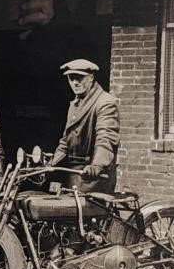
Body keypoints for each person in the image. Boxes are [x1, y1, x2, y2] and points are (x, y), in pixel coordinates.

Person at [48, 58, 120, 194]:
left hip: (92, 177)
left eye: (79, 78)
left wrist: (97, 165)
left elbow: (106, 138)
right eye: (71, 78)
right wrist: (50, 164)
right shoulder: (75, 104)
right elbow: (66, 141)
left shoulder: (105, 102)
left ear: (91, 78)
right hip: (72, 173)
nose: (75, 82)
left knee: (78, 207)